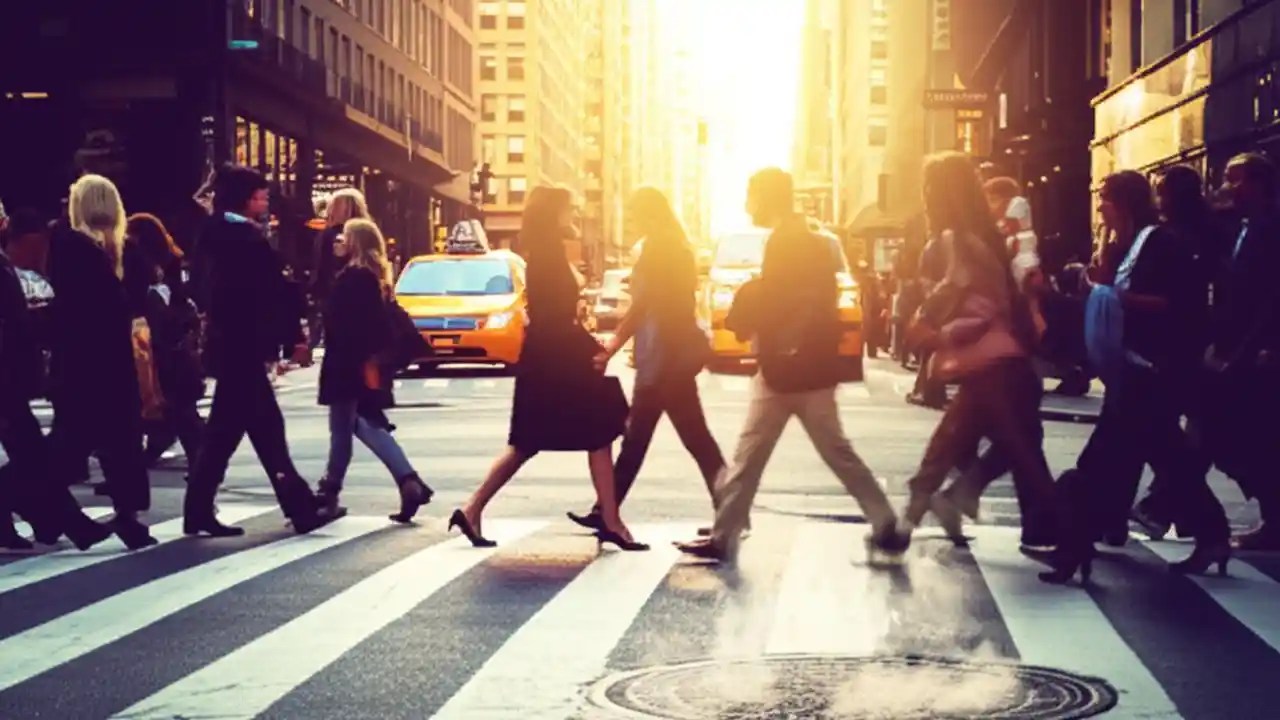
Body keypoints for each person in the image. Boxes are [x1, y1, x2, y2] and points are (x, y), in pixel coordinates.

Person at [676, 168, 900, 562]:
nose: (747, 204)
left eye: (750, 194)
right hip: (812, 366)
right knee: (833, 452)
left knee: (751, 454)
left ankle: (723, 536)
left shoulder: (786, 240)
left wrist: (757, 312)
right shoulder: (813, 239)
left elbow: (781, 300)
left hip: (785, 366)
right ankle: (884, 522)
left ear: (766, 197)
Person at [892, 152, 1087, 585]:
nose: (924, 197)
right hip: (1000, 365)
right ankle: (903, 531)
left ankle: (1075, 541)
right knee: (953, 452)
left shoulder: (961, 238)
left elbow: (969, 297)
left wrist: (931, 327)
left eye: (928, 188)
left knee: (1016, 460)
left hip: (993, 368)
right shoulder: (982, 235)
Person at [450, 186, 643, 551]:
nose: (573, 213)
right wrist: (592, 350)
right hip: (556, 360)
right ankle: (611, 521)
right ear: (553, 213)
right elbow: (553, 318)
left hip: (550, 357)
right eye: (568, 208)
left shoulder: (545, 252)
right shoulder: (548, 256)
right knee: (591, 432)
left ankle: (472, 508)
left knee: (542, 440)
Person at [1064, 170, 1229, 573]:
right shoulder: (1130, 243)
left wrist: (1118, 297)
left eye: (1105, 197)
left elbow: (1175, 303)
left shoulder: (1160, 243)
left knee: (1110, 458)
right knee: (1162, 457)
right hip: (1134, 368)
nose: (1099, 205)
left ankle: (1068, 541)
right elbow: (1105, 284)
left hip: (1154, 369)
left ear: (1125, 201)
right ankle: (1212, 537)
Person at [183, 164, 344, 537]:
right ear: (245, 199)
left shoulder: (213, 235)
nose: (265, 201)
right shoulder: (245, 240)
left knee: (229, 434)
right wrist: (292, 338)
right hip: (244, 347)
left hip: (230, 346)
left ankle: (199, 511)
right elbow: (270, 294)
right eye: (260, 195)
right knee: (262, 431)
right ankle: (300, 508)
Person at [566, 188, 725, 532]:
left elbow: (643, 307)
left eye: (638, 214)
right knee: (646, 440)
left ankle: (731, 512)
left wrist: (613, 347)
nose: (635, 221)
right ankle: (604, 511)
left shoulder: (660, 247)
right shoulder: (676, 246)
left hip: (663, 360)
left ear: (651, 214)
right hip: (666, 357)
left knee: (690, 441)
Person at [45, 175, 157, 550]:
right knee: (107, 442)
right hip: (104, 361)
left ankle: (50, 512)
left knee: (80, 444)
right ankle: (125, 516)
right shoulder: (114, 252)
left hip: (81, 362)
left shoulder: (65, 246)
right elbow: (131, 303)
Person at [0, 206, 113, 551]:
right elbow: (11, 326)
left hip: (9, 377)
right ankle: (65, 523)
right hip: (6, 378)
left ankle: (55, 522)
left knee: (31, 455)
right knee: (32, 454)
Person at [316, 217, 433, 522]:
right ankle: (409, 482)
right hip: (360, 365)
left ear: (356, 242)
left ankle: (329, 493)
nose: (337, 241)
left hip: (347, 365)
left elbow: (354, 326)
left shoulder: (356, 279)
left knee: (342, 431)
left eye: (344, 237)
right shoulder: (371, 277)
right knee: (363, 425)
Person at [1203, 153, 1280, 552]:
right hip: (1240, 345)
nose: (1227, 187)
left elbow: (1270, 296)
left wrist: (1264, 345)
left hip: (1262, 349)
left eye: (1236, 180)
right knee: (1240, 437)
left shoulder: (1271, 227)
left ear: (1259, 183)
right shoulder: (1241, 227)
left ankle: (1274, 520)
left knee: (1250, 437)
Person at [125, 213, 207, 468]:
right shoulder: (172, 262)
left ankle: (198, 458)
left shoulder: (144, 265)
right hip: (174, 340)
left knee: (172, 402)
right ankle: (181, 451)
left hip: (156, 339)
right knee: (176, 404)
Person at [309, 188, 369, 350]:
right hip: (364, 297)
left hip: (335, 296)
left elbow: (322, 266)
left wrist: (315, 293)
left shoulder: (330, 234)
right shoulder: (368, 232)